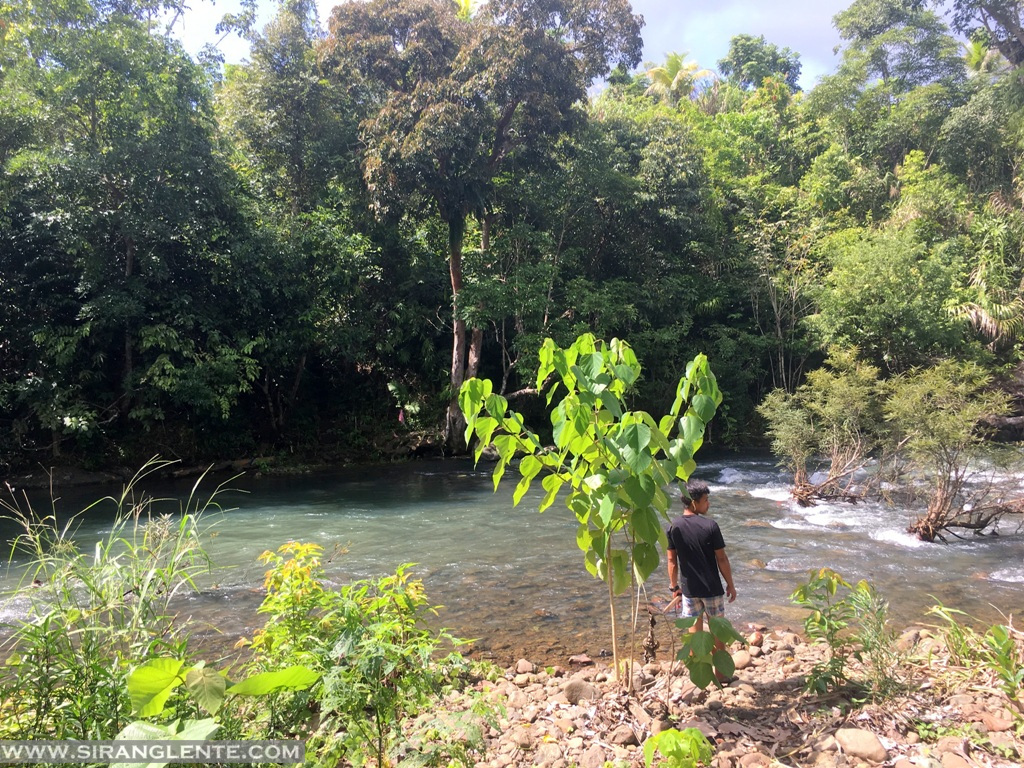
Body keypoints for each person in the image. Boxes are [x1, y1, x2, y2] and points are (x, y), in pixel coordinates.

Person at [666, 479, 736, 644]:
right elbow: (722, 559)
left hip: (690, 592)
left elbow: (671, 560)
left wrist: (674, 587)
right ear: (693, 502)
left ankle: (696, 661)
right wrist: (730, 585)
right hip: (712, 590)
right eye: (705, 500)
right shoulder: (710, 526)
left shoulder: (673, 527)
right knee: (719, 638)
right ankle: (719, 662)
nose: (708, 504)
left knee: (695, 640)